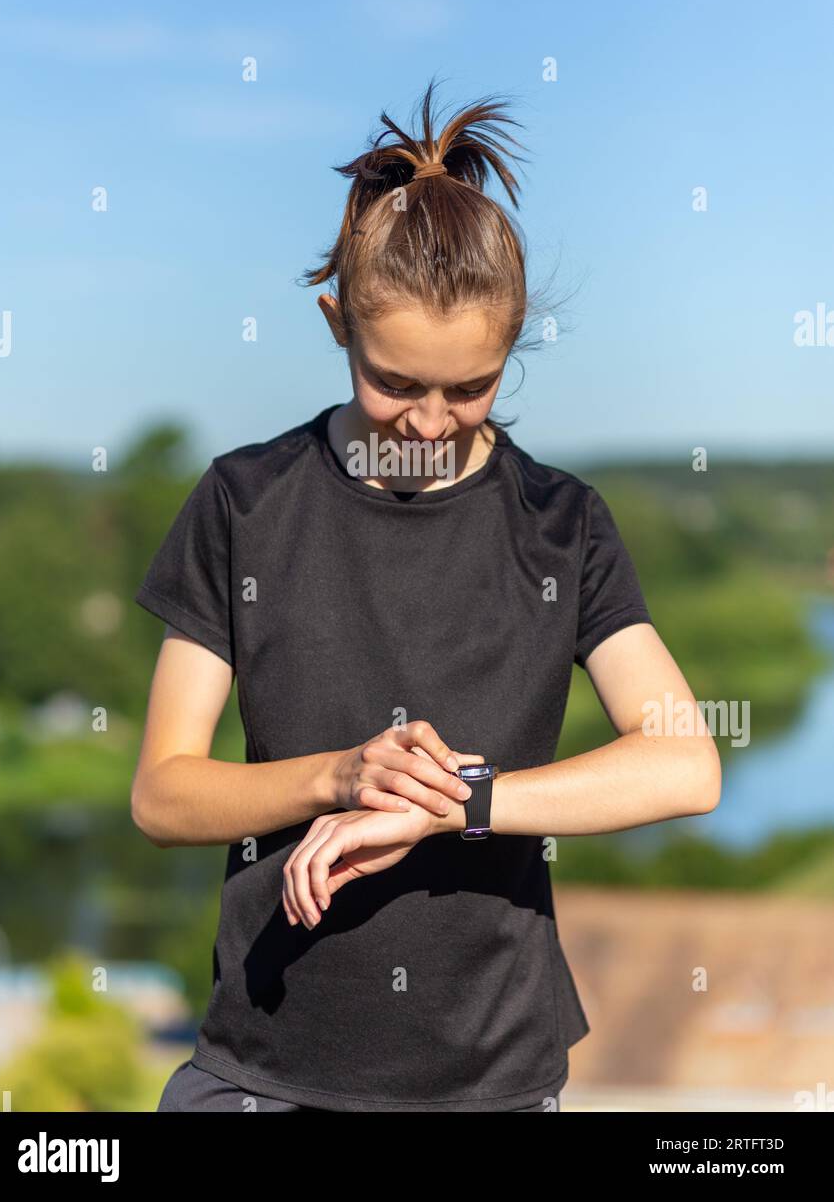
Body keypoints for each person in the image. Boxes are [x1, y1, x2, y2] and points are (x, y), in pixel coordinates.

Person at [132, 80, 721, 1113]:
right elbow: (163, 793)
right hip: (261, 1067)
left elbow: (682, 763)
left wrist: (458, 804)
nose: (429, 421)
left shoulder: (559, 522)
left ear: (511, 343)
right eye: (395, 382)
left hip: (491, 1080)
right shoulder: (244, 503)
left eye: (472, 385)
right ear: (335, 324)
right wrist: (342, 778)